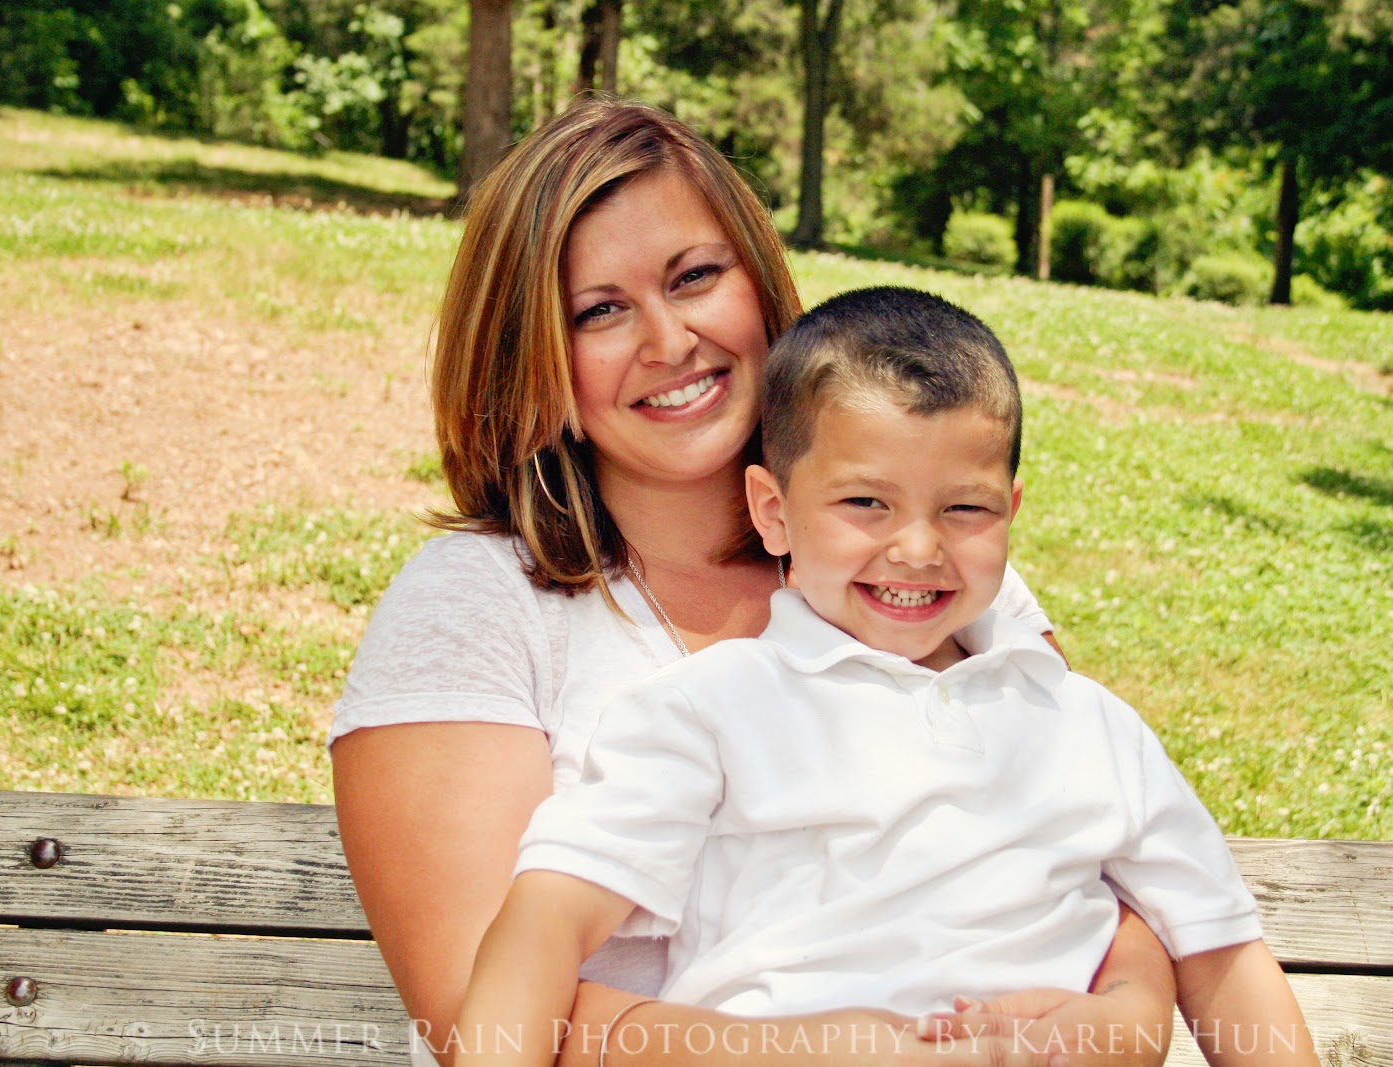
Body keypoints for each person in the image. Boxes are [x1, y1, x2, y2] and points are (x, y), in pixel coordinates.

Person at [330, 99, 1176, 1067]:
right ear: (536, 362)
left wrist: (1129, 1012)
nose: (669, 340)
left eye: (694, 276)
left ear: (760, 285)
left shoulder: (907, 568)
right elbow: (470, 1008)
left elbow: (1094, 846)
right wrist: (832, 1053)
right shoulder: (474, 606)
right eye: (599, 310)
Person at [452, 287, 1319, 1067]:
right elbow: (549, 917)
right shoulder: (708, 708)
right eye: (866, 503)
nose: (917, 547)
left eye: (964, 507)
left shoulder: (1089, 725)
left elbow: (1221, 955)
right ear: (773, 511)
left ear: (1011, 510)